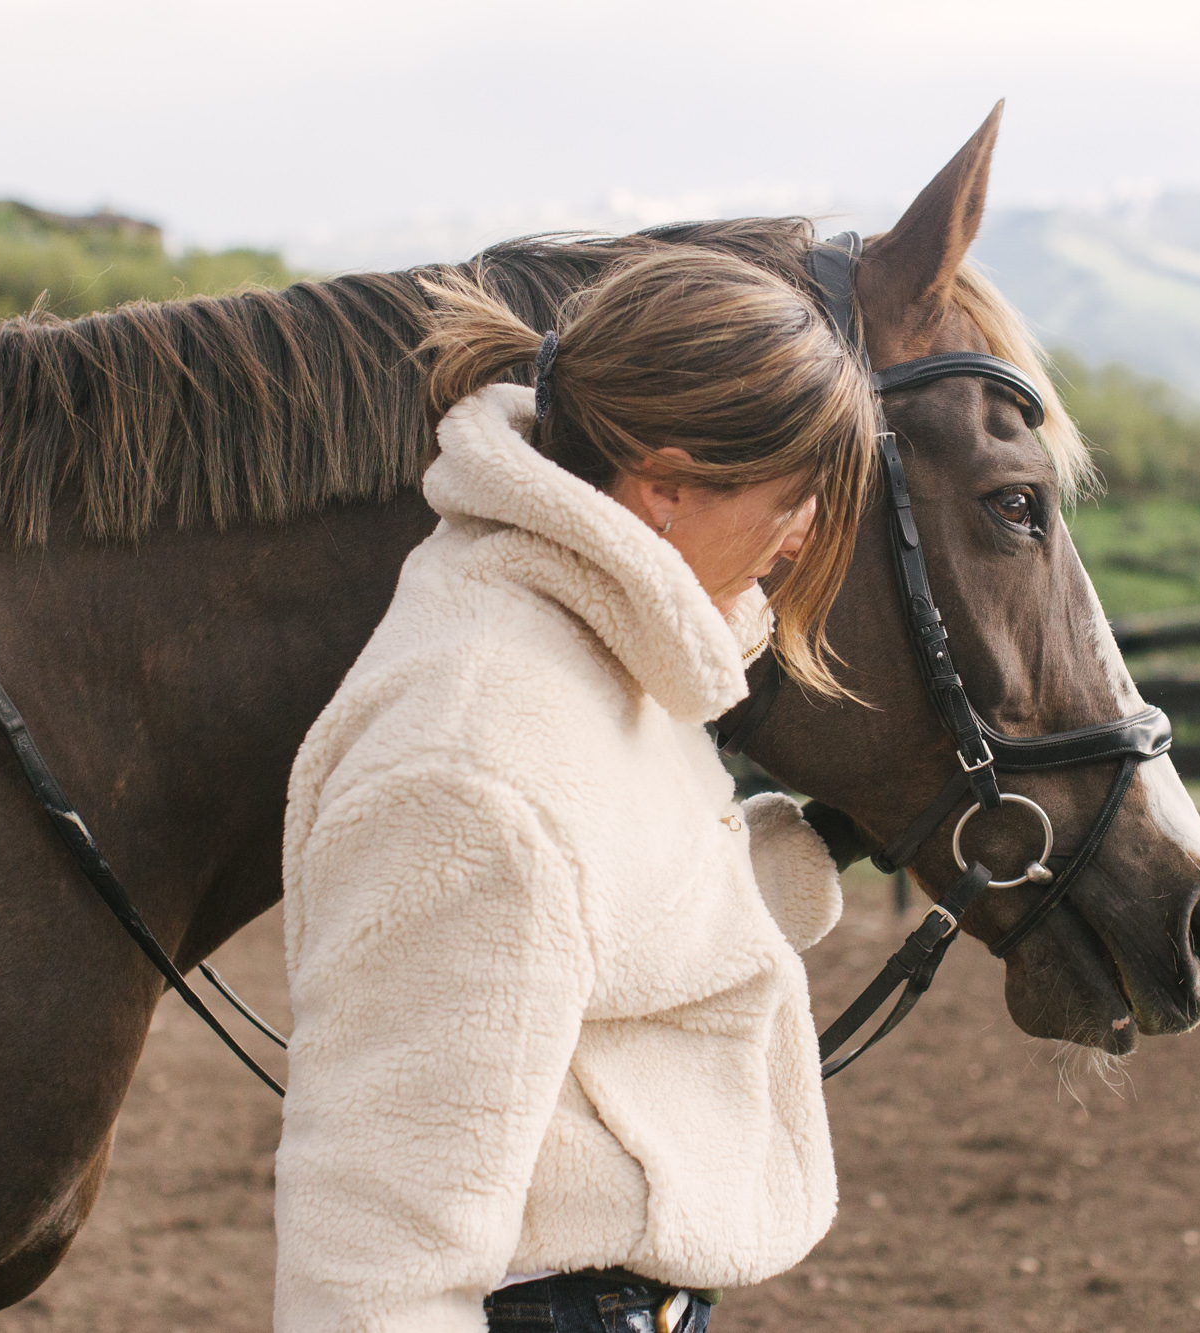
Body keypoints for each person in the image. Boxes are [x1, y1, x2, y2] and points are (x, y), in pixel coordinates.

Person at [275, 246, 878, 1333]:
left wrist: (805, 853)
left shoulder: (583, 651)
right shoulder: (470, 758)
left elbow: (598, 910)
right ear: (667, 484)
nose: (798, 536)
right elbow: (375, 1251)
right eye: (791, 500)